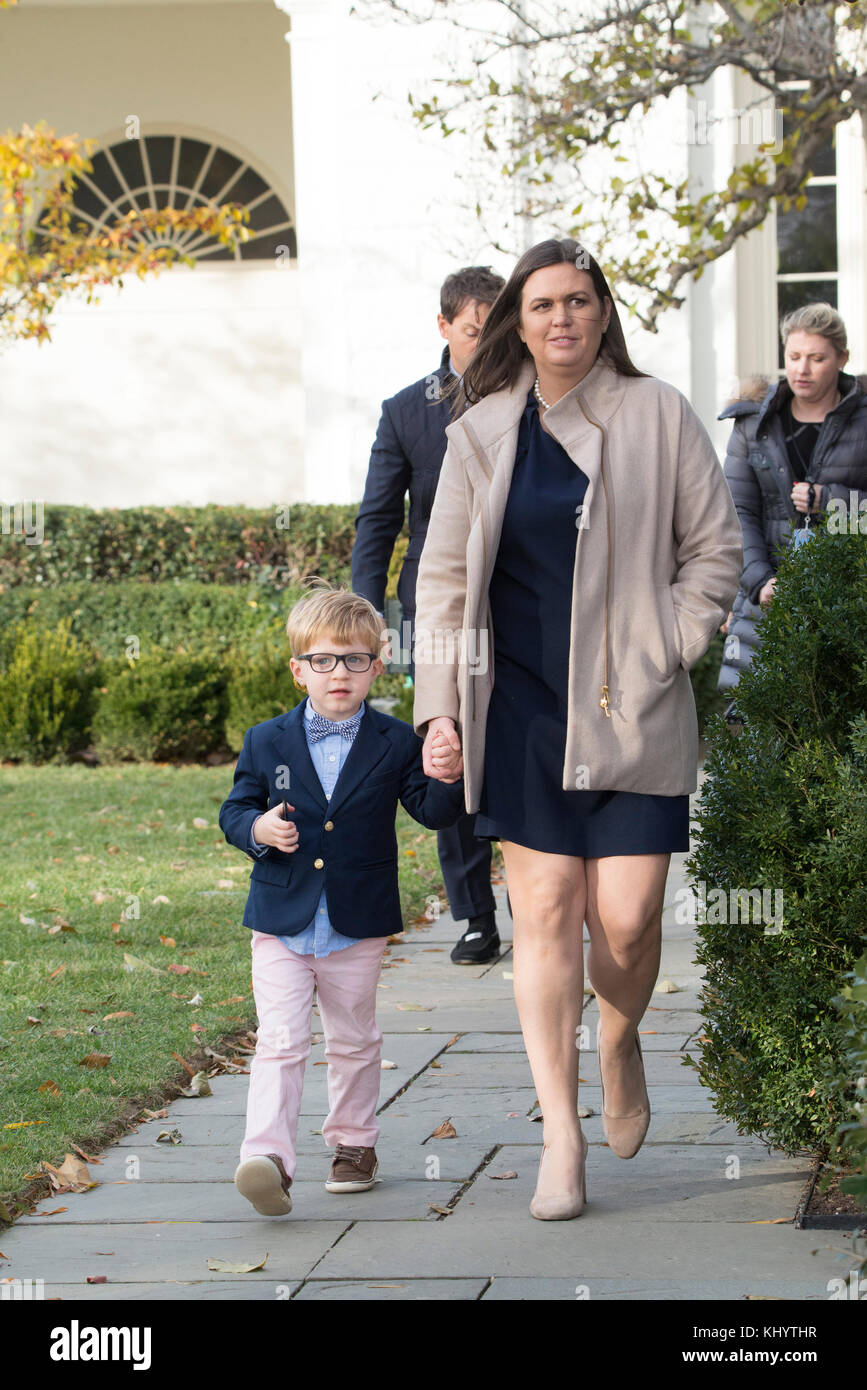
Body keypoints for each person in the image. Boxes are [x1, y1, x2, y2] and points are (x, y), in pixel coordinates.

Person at [412, 238, 742, 1220]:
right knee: (547, 911)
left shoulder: (658, 415)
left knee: (631, 922)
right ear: (518, 320)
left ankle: (620, 1032)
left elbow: (714, 547)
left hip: (632, 704)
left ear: (605, 315)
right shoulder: (480, 434)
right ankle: (562, 1134)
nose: (561, 319)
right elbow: (443, 581)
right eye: (543, 304)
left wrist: (666, 643)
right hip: (520, 705)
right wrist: (440, 704)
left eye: (579, 302)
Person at [219, 584, 464, 1216]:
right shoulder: (266, 741)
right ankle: (266, 1158)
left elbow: (431, 812)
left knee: (354, 1039)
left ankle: (354, 1145)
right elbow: (236, 808)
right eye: (324, 660)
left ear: (378, 665)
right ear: (298, 669)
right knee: (279, 1039)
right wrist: (257, 831)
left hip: (356, 923)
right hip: (281, 918)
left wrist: (447, 774)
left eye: (355, 660)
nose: (339, 674)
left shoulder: (394, 741)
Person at [352, 265, 509, 965]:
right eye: (475, 331)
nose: (489, 344)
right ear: (444, 327)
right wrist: (367, 612)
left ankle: (549, 895)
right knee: (447, 754)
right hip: (436, 609)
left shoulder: (534, 399)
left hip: (520, 601)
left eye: (497, 329)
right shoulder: (404, 410)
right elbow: (377, 522)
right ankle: (475, 913)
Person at [718, 302, 867, 703]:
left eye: (817, 358)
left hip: (848, 603)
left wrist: (828, 502)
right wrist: (759, 582)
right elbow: (736, 514)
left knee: (837, 736)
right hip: (765, 600)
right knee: (758, 730)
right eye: (794, 356)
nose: (802, 369)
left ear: (842, 359)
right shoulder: (753, 423)